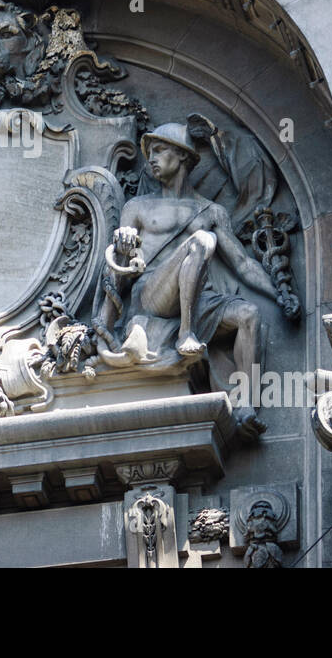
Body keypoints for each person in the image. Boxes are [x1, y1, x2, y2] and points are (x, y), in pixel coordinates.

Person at [94, 122, 277, 439]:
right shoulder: (137, 207)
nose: (152, 158)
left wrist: (278, 294)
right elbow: (119, 269)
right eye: (149, 152)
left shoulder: (210, 210)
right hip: (153, 296)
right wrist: (123, 242)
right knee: (202, 242)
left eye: (160, 150)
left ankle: (246, 407)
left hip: (199, 299)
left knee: (249, 315)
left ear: (181, 156)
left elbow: (243, 263)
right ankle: (186, 333)